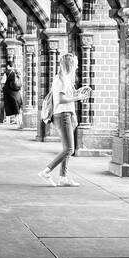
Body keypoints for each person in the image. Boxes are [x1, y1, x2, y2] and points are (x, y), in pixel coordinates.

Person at [38, 53, 90, 186]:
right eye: (76, 64)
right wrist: (76, 98)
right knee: (69, 149)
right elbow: (60, 99)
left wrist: (78, 93)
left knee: (67, 148)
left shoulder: (66, 79)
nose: (77, 66)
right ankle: (46, 171)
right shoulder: (60, 79)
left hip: (67, 114)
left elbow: (67, 95)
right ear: (70, 65)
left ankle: (63, 177)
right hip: (62, 115)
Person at [2, 59, 24, 127]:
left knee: (8, 106)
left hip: (9, 92)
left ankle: (8, 120)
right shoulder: (17, 72)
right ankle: (18, 120)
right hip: (17, 92)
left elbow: (3, 81)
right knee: (16, 106)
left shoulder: (7, 72)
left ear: (8, 66)